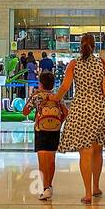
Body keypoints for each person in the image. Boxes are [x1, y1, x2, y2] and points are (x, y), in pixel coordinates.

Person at [56, 32, 105, 204]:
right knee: (97, 150)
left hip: (81, 111)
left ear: (80, 46)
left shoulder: (74, 64)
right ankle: (97, 186)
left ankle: (87, 193)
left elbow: (65, 87)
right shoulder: (103, 63)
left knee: (85, 152)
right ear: (95, 46)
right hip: (101, 109)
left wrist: (55, 99)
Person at [23, 70, 67, 201]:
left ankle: (46, 188)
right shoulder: (57, 96)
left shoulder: (37, 96)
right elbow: (66, 112)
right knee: (51, 160)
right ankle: (49, 186)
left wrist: (33, 96)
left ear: (40, 83)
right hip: (55, 130)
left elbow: (25, 111)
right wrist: (59, 122)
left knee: (43, 161)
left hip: (40, 130)